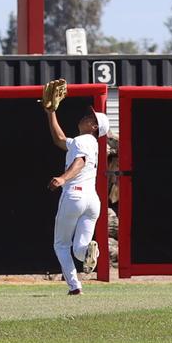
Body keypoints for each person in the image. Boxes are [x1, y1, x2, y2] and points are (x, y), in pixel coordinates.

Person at [43, 97, 104, 294]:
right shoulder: (89, 142)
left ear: (94, 126)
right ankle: (88, 251)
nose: (86, 117)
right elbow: (60, 140)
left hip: (74, 196)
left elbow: (80, 161)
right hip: (92, 201)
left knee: (61, 244)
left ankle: (74, 285)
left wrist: (63, 178)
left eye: (90, 117)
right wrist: (51, 112)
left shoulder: (82, 141)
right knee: (80, 250)